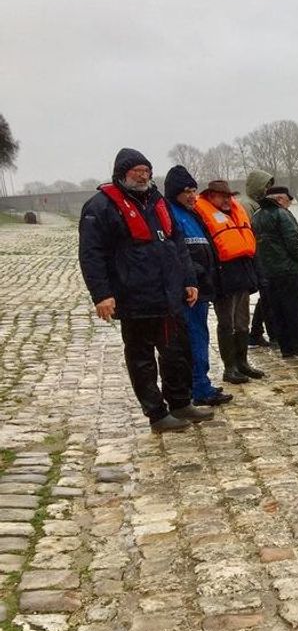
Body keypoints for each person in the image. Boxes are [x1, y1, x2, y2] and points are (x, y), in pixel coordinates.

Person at [78, 149, 214, 432]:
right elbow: (91, 254)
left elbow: (177, 244)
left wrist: (189, 280)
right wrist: (102, 294)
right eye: (136, 171)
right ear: (121, 174)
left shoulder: (158, 202)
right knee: (141, 358)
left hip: (169, 295)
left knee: (177, 351)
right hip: (133, 297)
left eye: (146, 170)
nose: (143, 176)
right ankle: (156, 413)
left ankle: (180, 402)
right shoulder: (100, 207)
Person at [164, 166, 234, 407]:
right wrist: (193, 277)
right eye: (187, 191)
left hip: (202, 288)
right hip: (189, 292)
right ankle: (198, 388)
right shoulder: (171, 215)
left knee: (200, 336)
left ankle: (201, 383)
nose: (193, 196)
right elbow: (176, 254)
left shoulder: (191, 214)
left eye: (194, 190)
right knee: (193, 338)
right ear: (175, 193)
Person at [194, 179, 266, 384]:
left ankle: (242, 363)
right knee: (227, 323)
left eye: (229, 196)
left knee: (242, 321)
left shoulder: (236, 213)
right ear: (211, 196)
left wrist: (257, 274)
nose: (227, 200)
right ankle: (230, 368)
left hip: (242, 274)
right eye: (222, 196)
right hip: (222, 277)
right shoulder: (202, 216)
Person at [252, 186, 298, 358]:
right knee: (295, 309)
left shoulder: (256, 216)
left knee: (277, 311)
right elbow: (293, 241)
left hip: (267, 272)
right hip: (287, 270)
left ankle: (286, 347)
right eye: (288, 199)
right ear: (279, 199)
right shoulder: (281, 214)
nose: (290, 203)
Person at [243, 169, 276, 348]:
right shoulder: (248, 206)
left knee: (267, 296)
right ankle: (269, 334)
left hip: (260, 256)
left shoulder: (254, 204)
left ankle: (256, 332)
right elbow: (251, 232)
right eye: (266, 186)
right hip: (258, 257)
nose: (267, 190)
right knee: (268, 296)